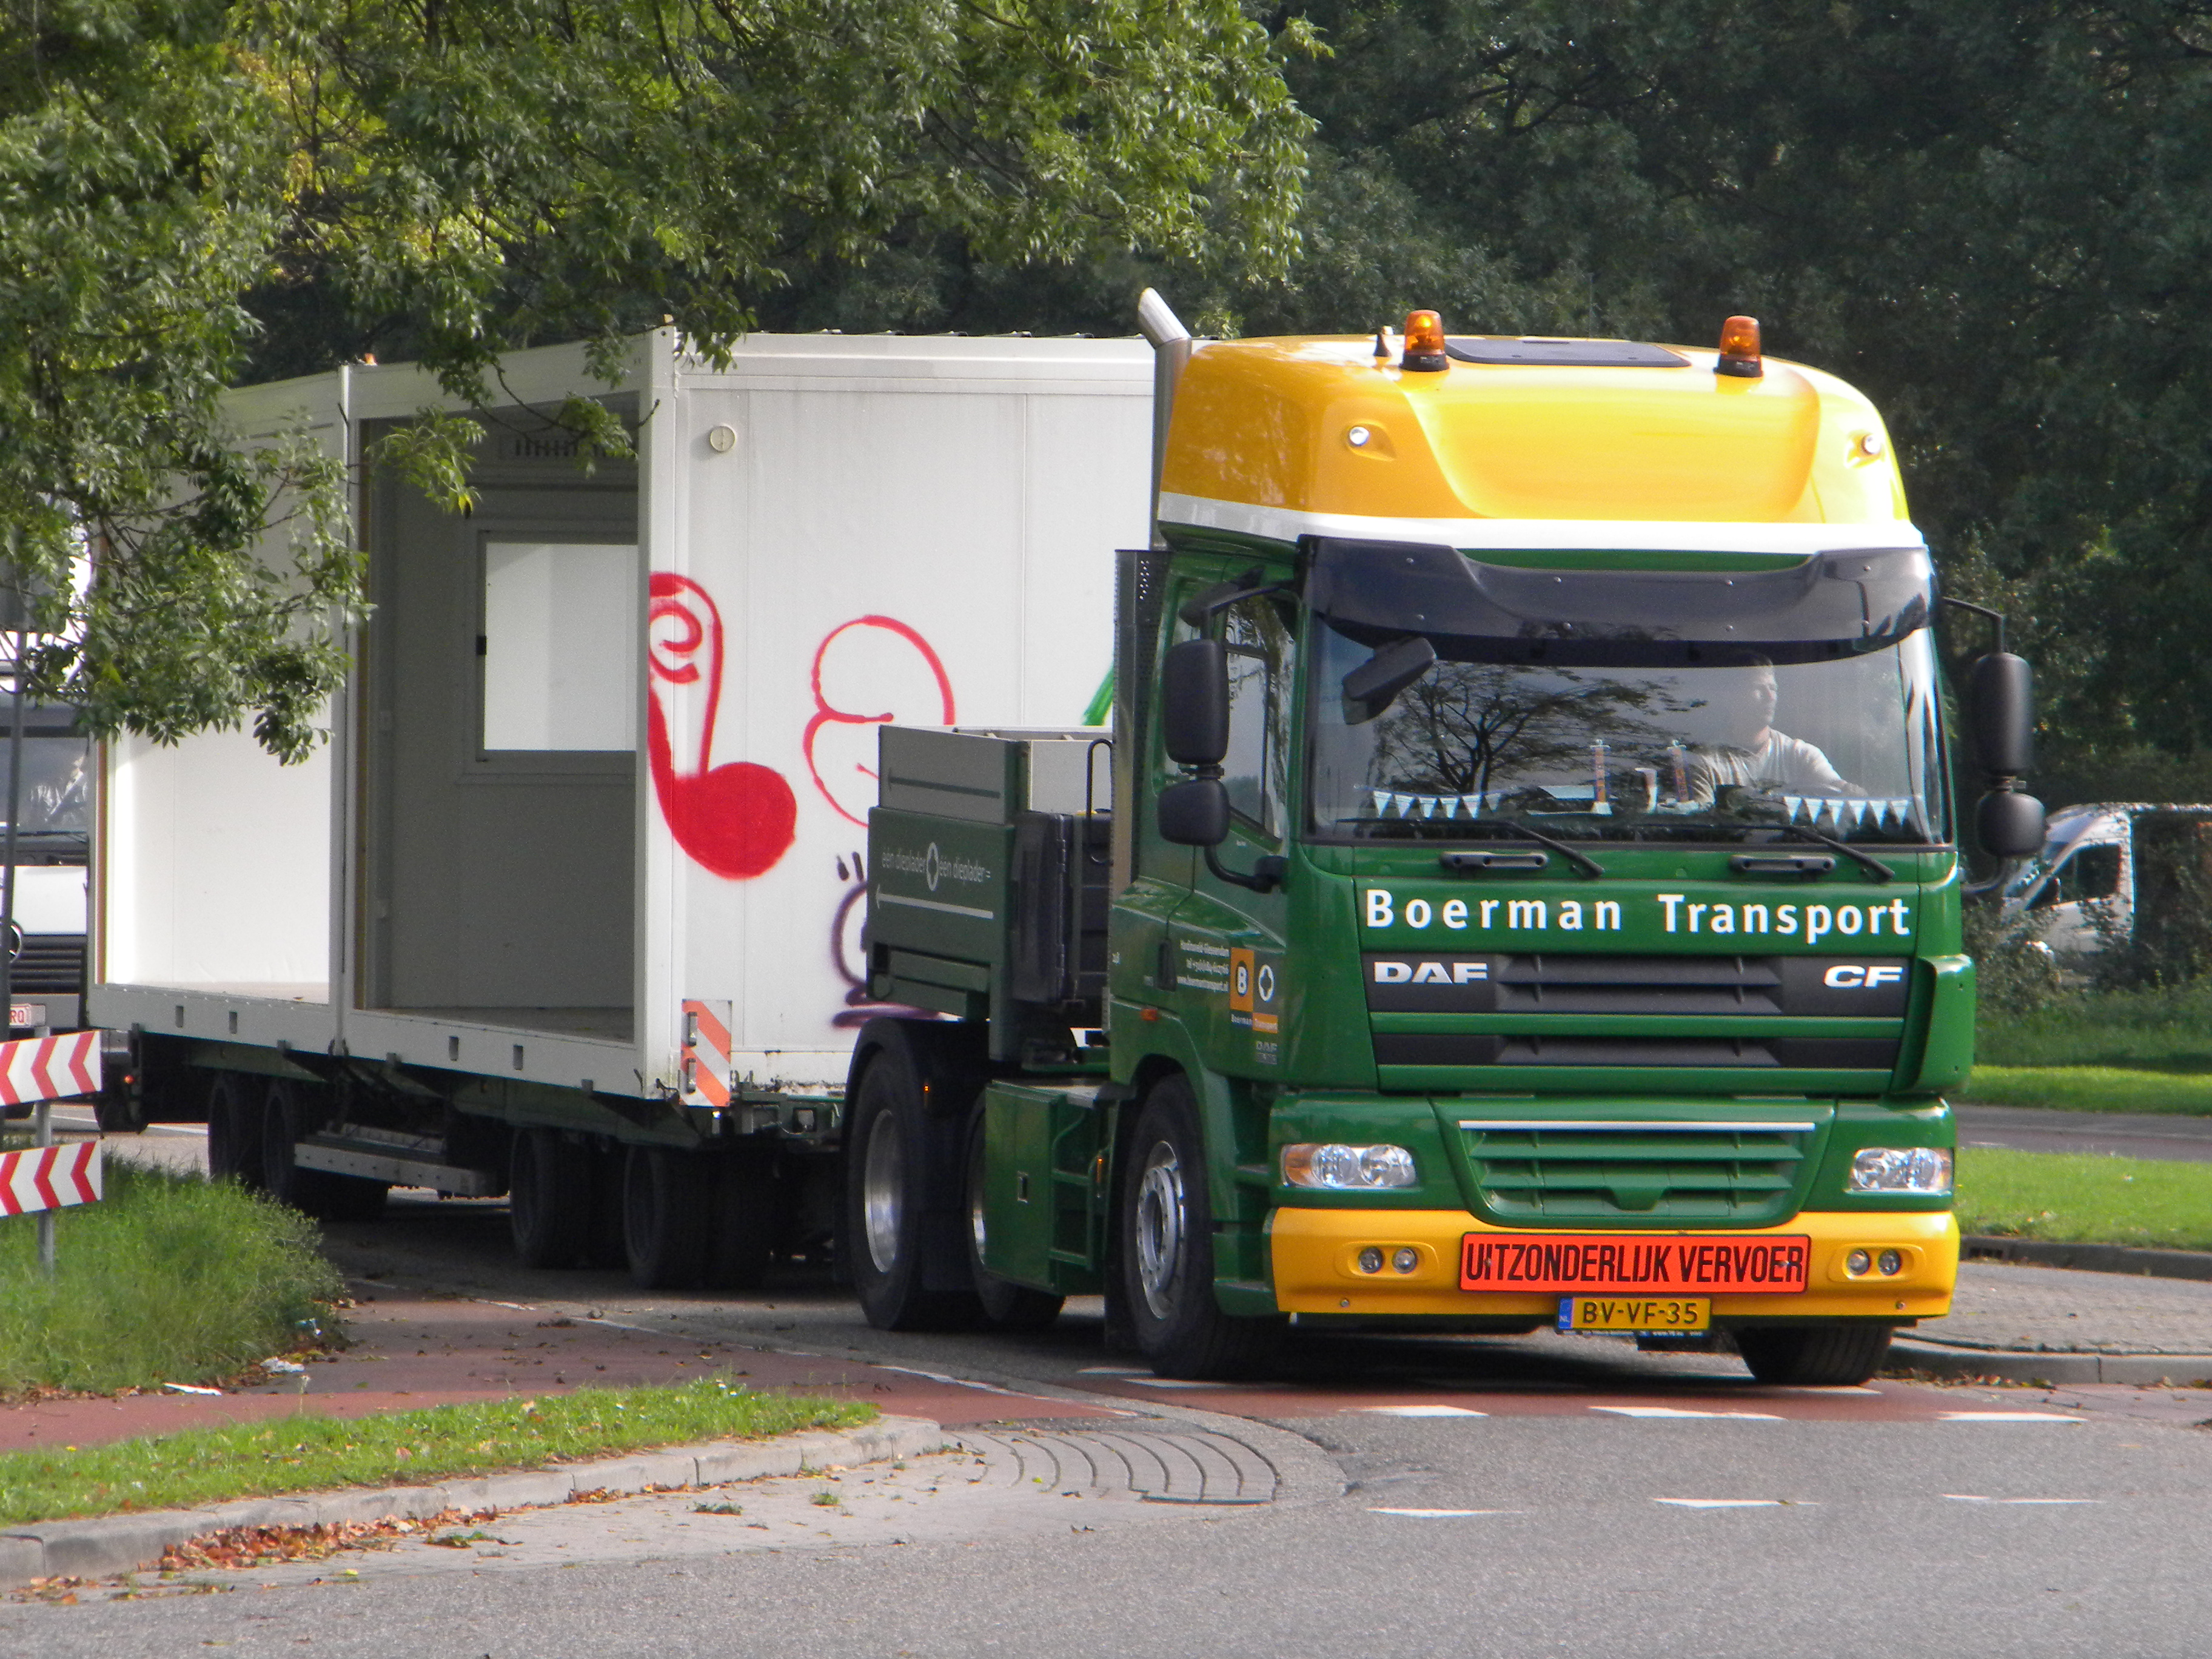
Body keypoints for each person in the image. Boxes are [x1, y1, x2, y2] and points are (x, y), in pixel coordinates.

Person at [1681, 660, 1857, 802]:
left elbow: (1840, 792)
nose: (1770, 697)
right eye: (1758, 688)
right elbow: (1703, 827)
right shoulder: (1705, 762)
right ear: (1732, 696)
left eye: (1773, 688)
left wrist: (1853, 793)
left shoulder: (1801, 755)